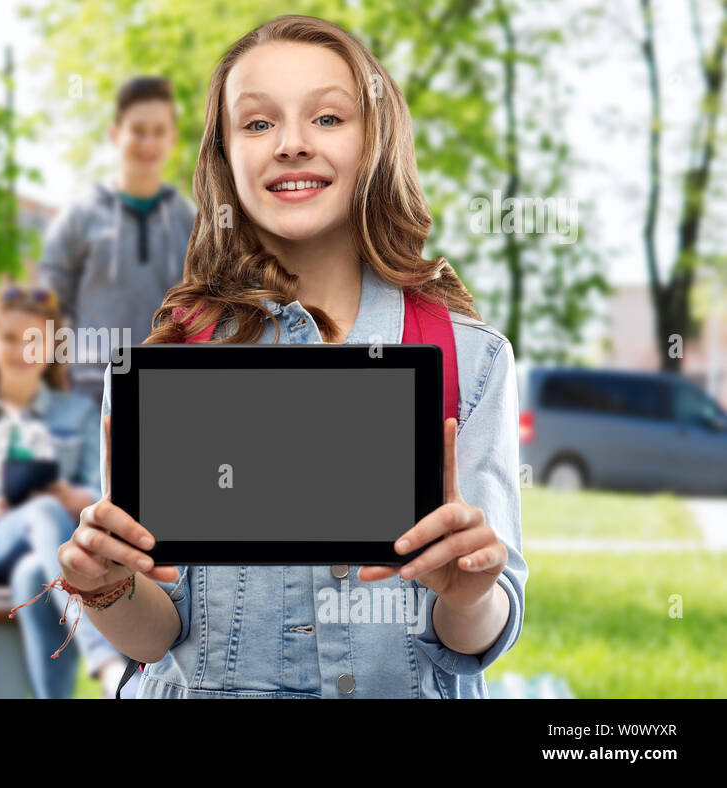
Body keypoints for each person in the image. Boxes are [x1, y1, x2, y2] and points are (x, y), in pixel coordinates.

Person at [52, 14, 528, 699]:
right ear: (224, 156)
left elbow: (481, 629)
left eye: (328, 118)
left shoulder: (470, 360)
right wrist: (108, 588)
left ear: (375, 141)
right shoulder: (166, 363)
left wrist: (467, 594)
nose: (293, 145)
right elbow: (158, 635)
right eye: (257, 124)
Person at [0, 285, 129, 698]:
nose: (20, 349)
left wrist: (71, 497)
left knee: (33, 578)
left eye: (33, 340)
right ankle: (110, 666)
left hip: (55, 557)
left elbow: (103, 496)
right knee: (41, 512)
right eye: (9, 337)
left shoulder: (76, 413)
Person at [37, 76, 196, 407]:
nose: (148, 143)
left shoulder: (191, 223)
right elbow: (49, 309)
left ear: (173, 139)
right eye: (138, 131)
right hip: (89, 392)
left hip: (170, 391)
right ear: (116, 134)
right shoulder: (79, 218)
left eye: (158, 132)